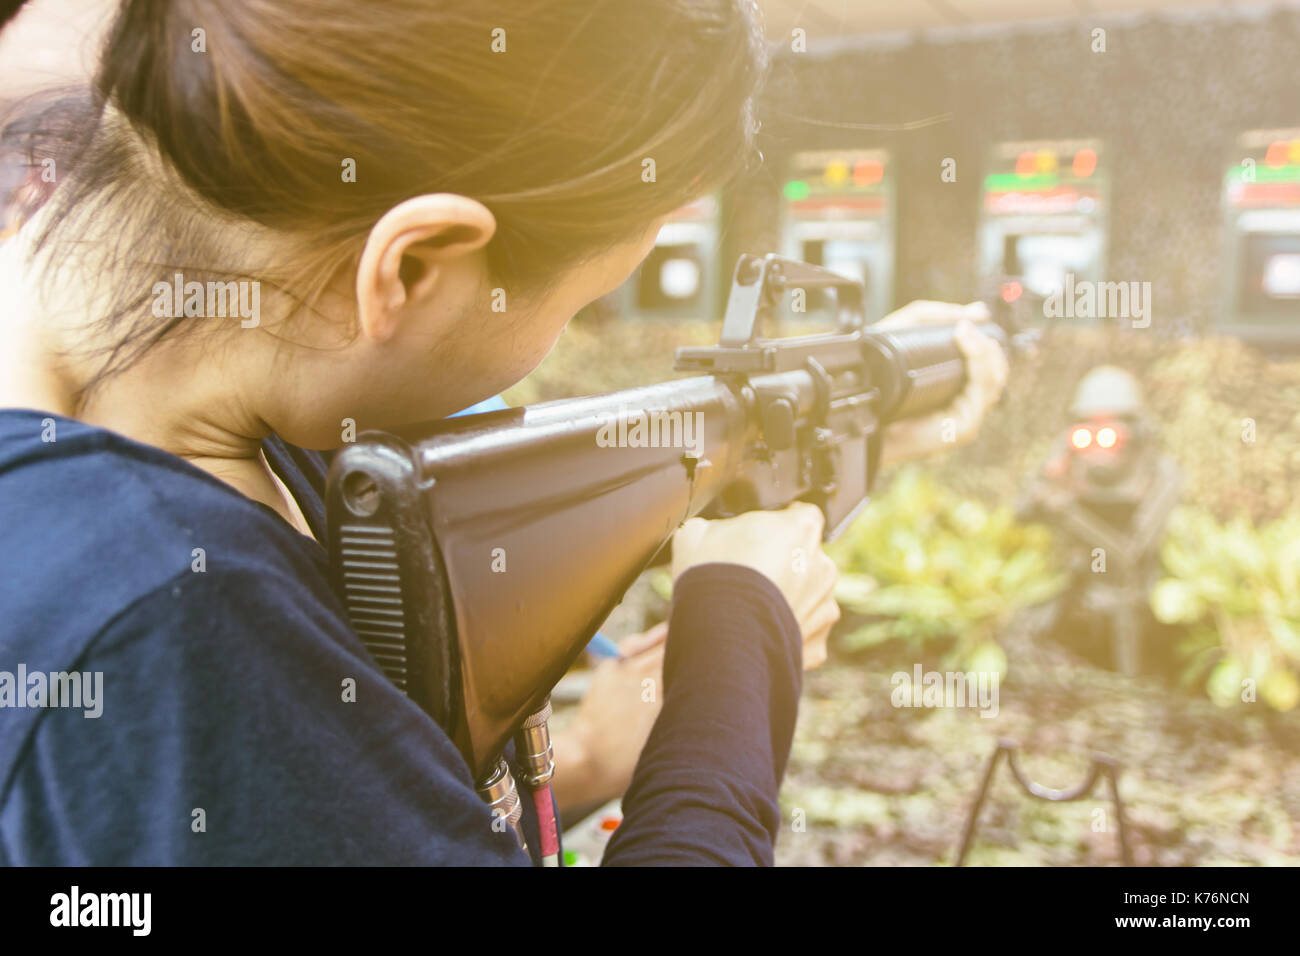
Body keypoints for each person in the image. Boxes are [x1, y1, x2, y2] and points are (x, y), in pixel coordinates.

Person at [0, 0, 1004, 865]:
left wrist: (575, 764)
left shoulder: (176, 412)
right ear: (414, 265)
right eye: (578, 304)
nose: (551, 340)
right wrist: (740, 637)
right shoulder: (175, 622)